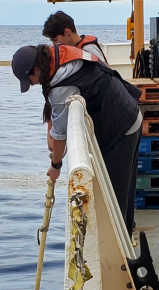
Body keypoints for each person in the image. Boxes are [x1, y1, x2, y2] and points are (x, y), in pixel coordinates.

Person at [10, 43, 142, 233]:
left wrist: (55, 166)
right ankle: (127, 243)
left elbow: (60, 135)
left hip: (121, 124)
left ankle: (122, 256)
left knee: (115, 198)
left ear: (37, 70)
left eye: (30, 80)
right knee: (124, 193)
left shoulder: (60, 88)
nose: (32, 84)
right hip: (130, 112)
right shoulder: (56, 55)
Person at [42, 11, 108, 66]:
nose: (54, 44)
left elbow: (108, 71)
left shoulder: (87, 49)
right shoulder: (75, 47)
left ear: (67, 32)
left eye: (55, 40)